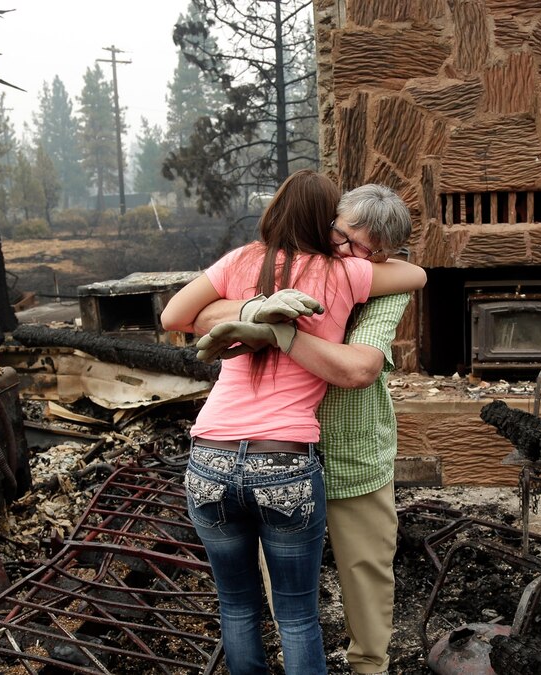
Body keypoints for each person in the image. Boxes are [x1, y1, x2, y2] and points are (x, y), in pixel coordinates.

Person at [158, 171, 426, 675]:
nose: (346, 249)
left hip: (333, 449)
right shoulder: (313, 269)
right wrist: (258, 307)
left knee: (347, 577)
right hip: (285, 456)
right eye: (341, 234)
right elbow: (191, 315)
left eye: (364, 249)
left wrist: (276, 329)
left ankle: (369, 667)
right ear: (326, 220)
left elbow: (360, 367)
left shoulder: (340, 274)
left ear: (384, 254)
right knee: (294, 611)